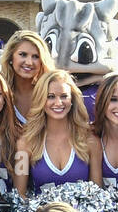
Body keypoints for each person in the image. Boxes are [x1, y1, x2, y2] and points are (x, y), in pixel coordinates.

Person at [13, 69, 95, 197]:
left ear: (72, 99)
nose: (58, 103)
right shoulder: (24, 144)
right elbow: (19, 195)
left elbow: (99, 195)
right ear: (41, 100)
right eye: (50, 96)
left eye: (64, 96)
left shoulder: (90, 141)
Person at [0, 30, 54, 125]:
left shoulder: (51, 93)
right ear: (11, 57)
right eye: (23, 55)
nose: (29, 62)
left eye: (36, 56)